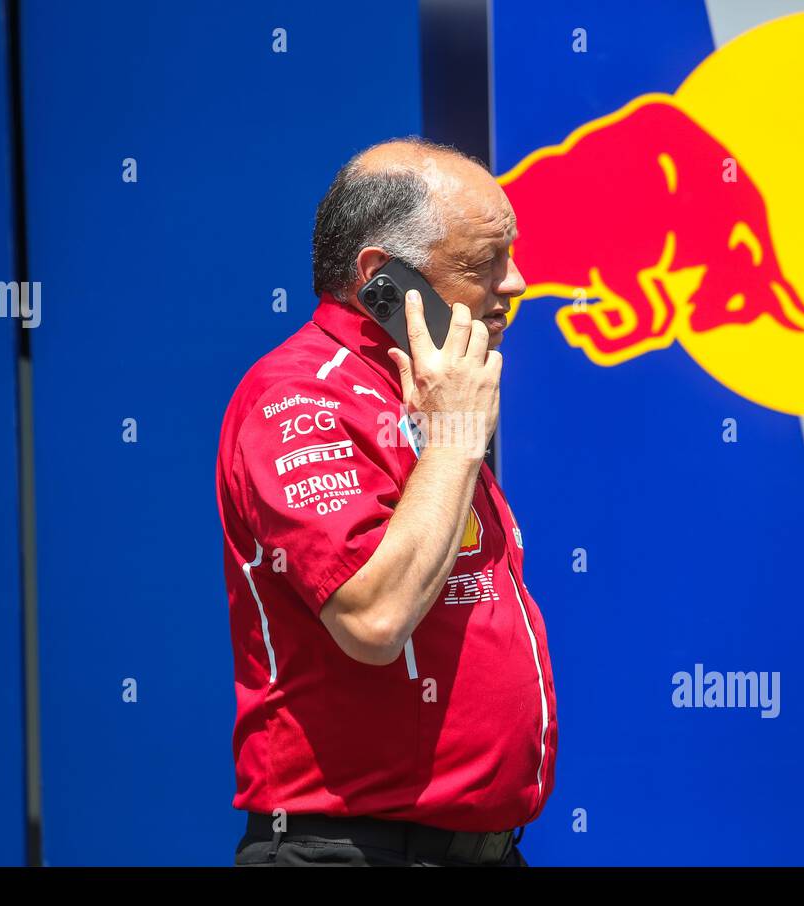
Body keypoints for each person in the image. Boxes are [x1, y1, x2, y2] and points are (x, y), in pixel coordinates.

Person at [216, 136, 557, 866]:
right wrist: (460, 437)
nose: (517, 283)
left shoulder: (421, 392)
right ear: (382, 278)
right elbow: (373, 618)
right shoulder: (301, 394)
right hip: (356, 849)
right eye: (484, 261)